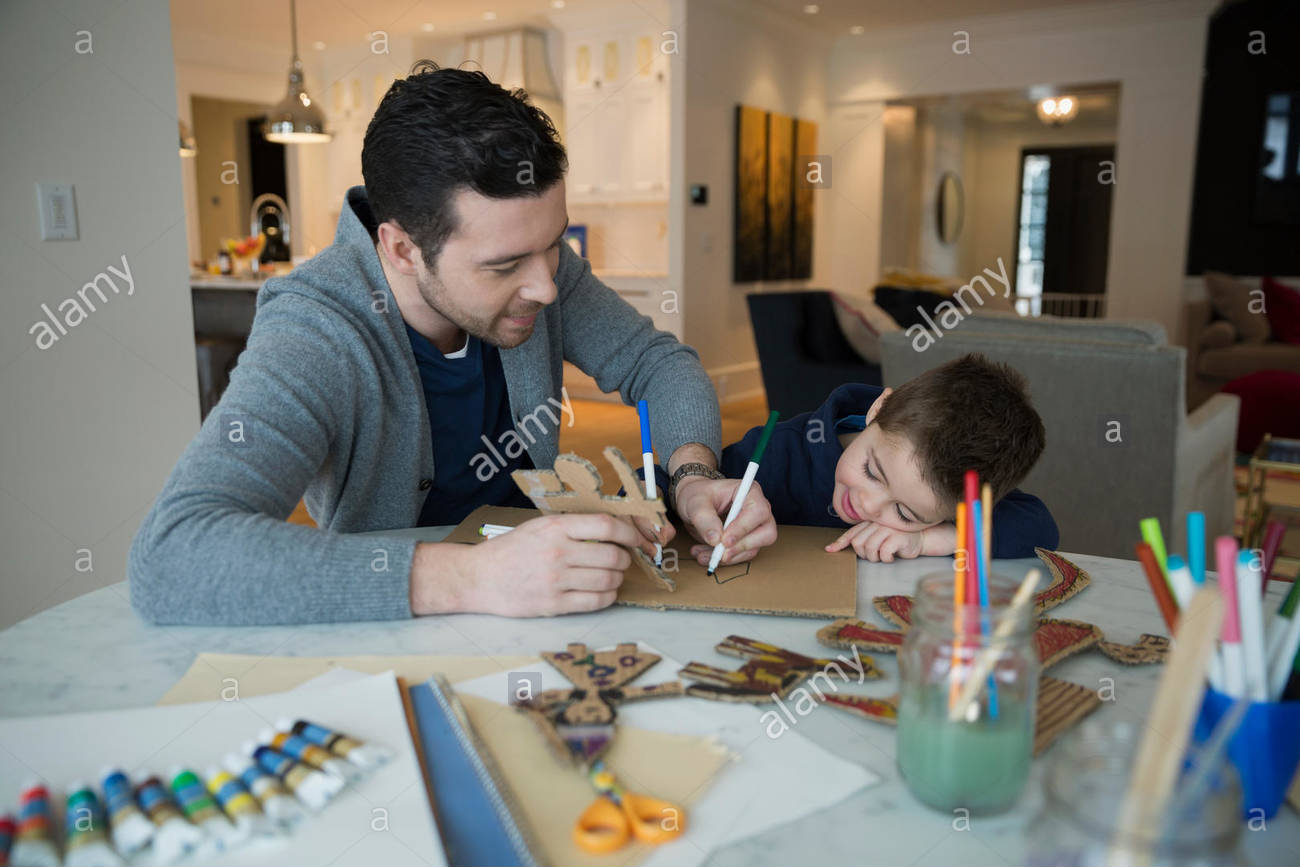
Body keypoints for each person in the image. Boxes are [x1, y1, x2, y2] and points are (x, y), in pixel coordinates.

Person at [128, 63, 775, 625]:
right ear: (402, 249)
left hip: (546, 592)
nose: (546, 288)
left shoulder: (538, 266)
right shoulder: (315, 330)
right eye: (505, 266)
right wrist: (473, 578)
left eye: (555, 245)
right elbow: (174, 554)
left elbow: (659, 365)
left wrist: (692, 478)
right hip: (402, 618)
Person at [720, 354, 1057, 561]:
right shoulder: (781, 450)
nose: (868, 505)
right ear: (878, 409)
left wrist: (928, 539)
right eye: (871, 471)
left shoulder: (956, 487)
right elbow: (685, 489)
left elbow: (1039, 527)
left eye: (904, 513)